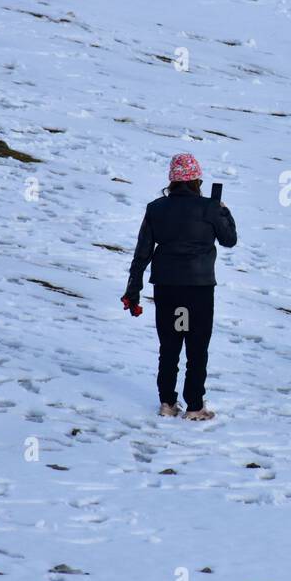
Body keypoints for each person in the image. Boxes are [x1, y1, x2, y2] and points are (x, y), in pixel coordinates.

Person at [122, 153, 237, 420]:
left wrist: (133, 290)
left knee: (170, 346)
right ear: (197, 180)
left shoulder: (156, 208)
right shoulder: (210, 208)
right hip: (199, 288)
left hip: (167, 286)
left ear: (172, 181)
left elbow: (142, 254)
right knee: (197, 347)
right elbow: (229, 240)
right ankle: (195, 406)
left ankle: (167, 403)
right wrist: (223, 211)